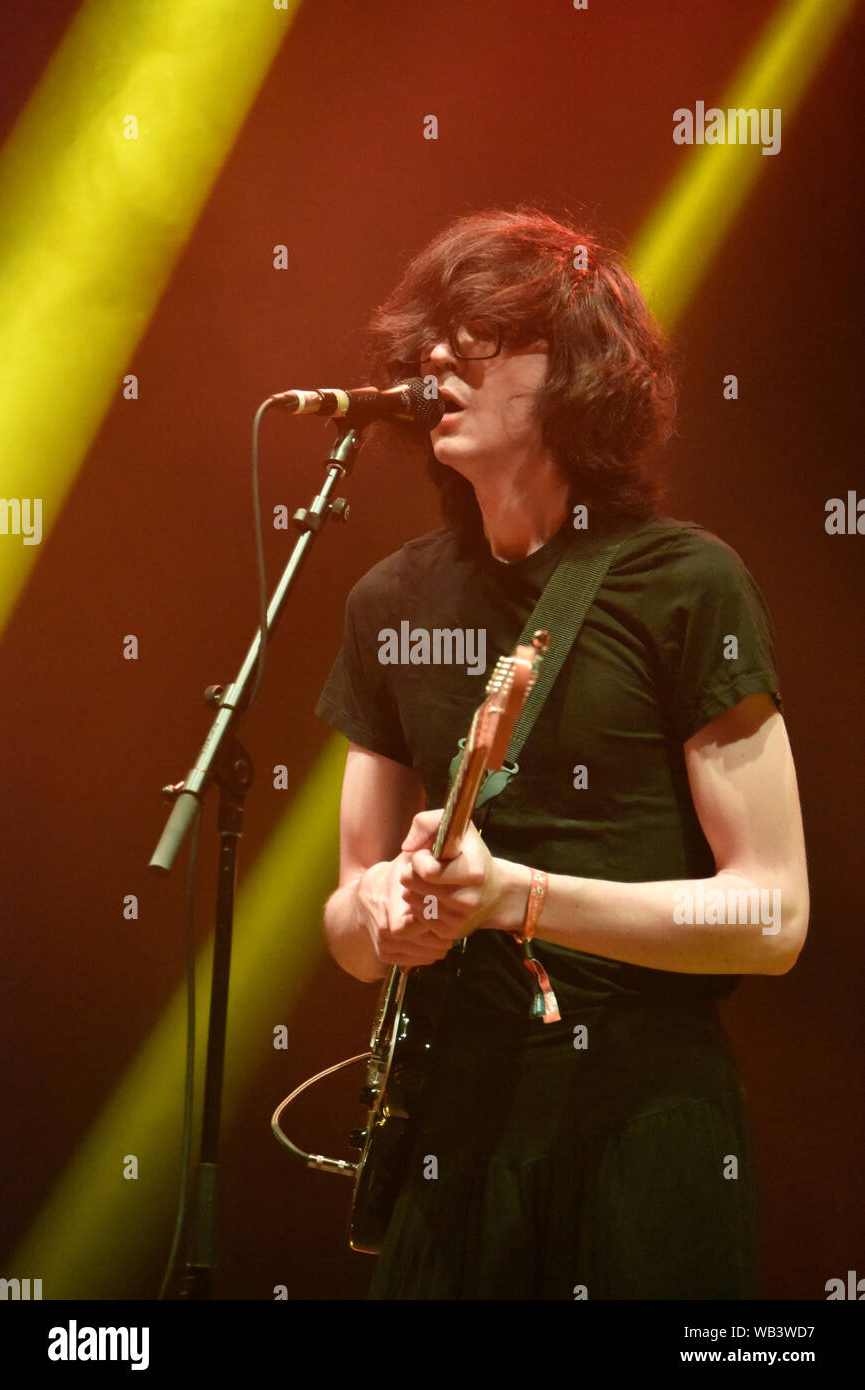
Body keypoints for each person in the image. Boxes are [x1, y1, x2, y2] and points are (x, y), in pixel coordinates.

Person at [314, 207, 809, 1300]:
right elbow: (347, 924)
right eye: (430, 337)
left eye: (481, 334)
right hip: (453, 1136)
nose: (437, 359)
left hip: (642, 1131)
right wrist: (385, 910)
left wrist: (518, 898)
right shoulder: (389, 601)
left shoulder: (688, 585)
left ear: (580, 369)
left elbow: (773, 917)